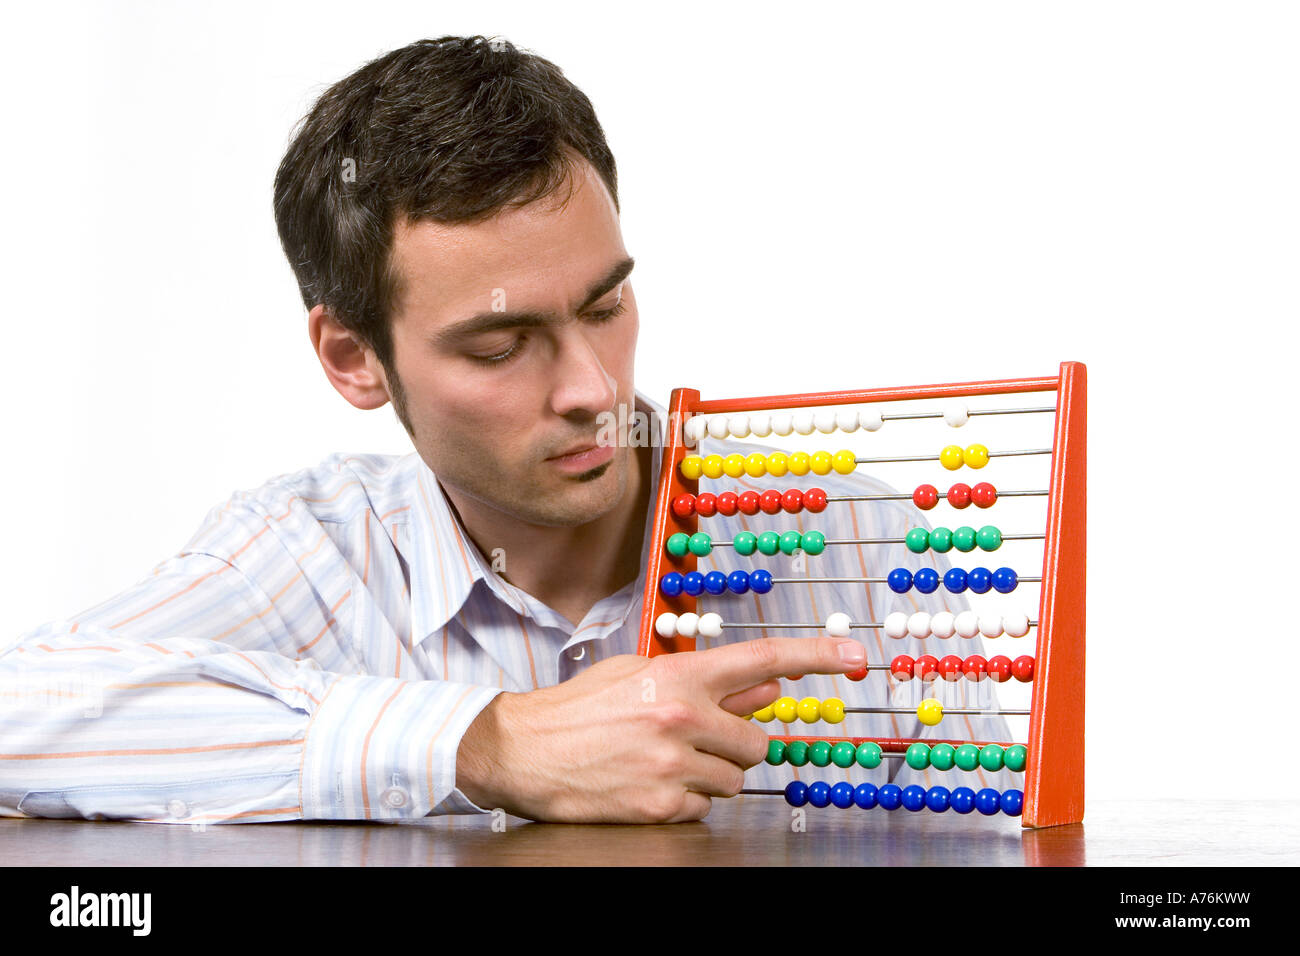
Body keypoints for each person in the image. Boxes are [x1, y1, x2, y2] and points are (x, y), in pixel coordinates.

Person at [0, 35, 1017, 826]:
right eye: (501, 345)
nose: (591, 388)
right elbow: (22, 708)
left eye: (606, 305)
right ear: (355, 357)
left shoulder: (868, 554)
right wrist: (487, 744)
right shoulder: (317, 554)